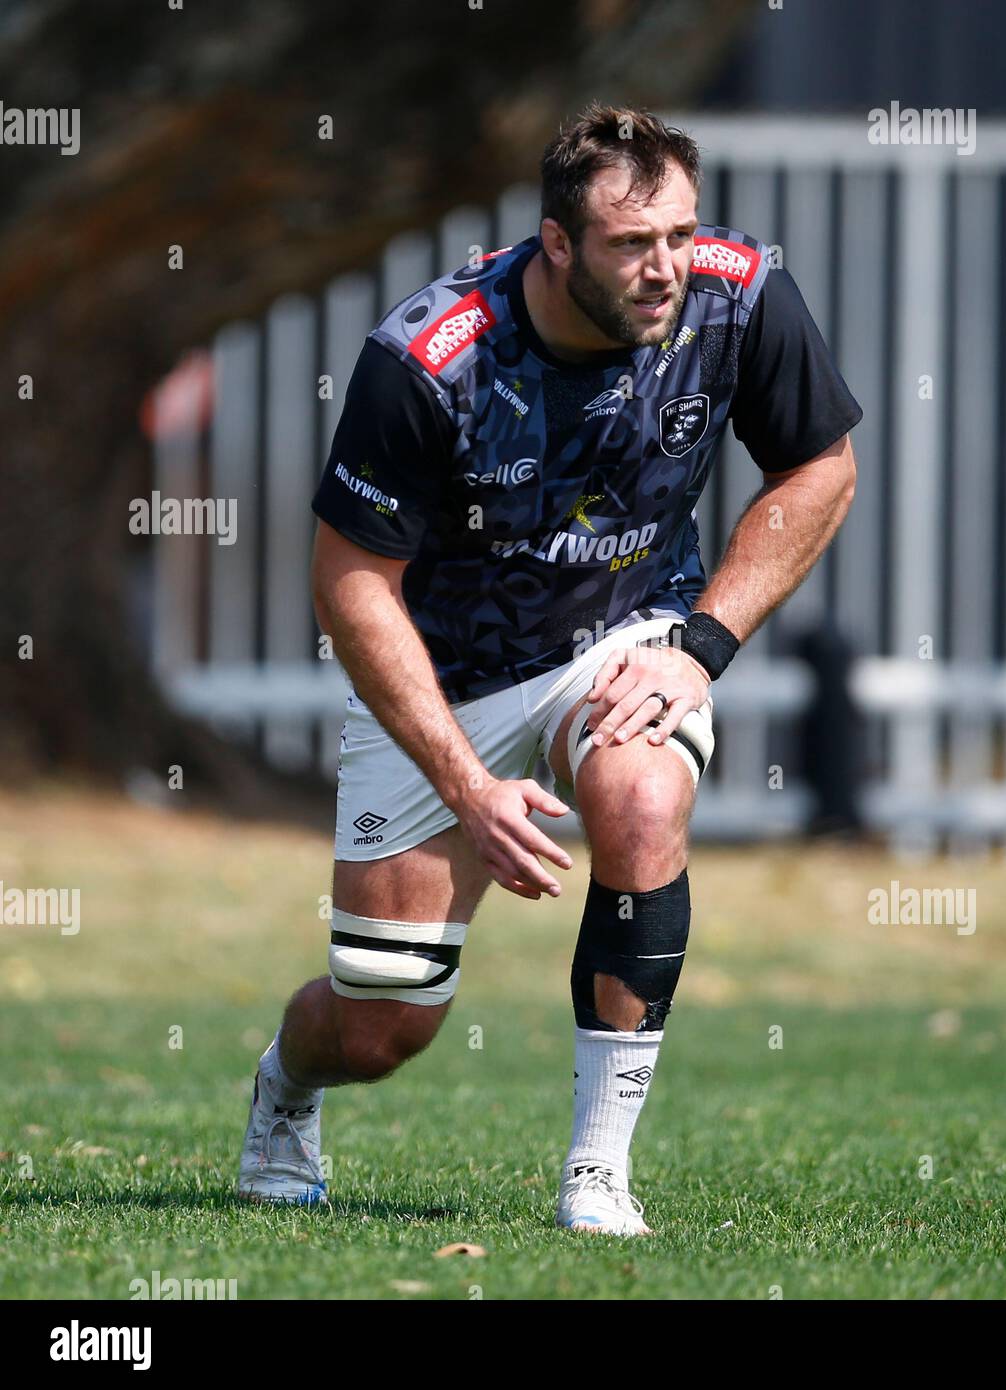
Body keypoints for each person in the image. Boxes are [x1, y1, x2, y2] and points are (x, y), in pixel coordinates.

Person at [237, 102, 861, 1235]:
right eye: (632, 244)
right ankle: (285, 1088)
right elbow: (350, 586)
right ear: (557, 244)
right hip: (446, 679)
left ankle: (596, 1170)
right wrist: (468, 786)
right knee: (385, 1023)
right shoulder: (428, 361)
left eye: (678, 232)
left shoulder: (741, 294)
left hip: (624, 637)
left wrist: (703, 646)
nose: (666, 266)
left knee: (641, 792)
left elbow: (818, 467)